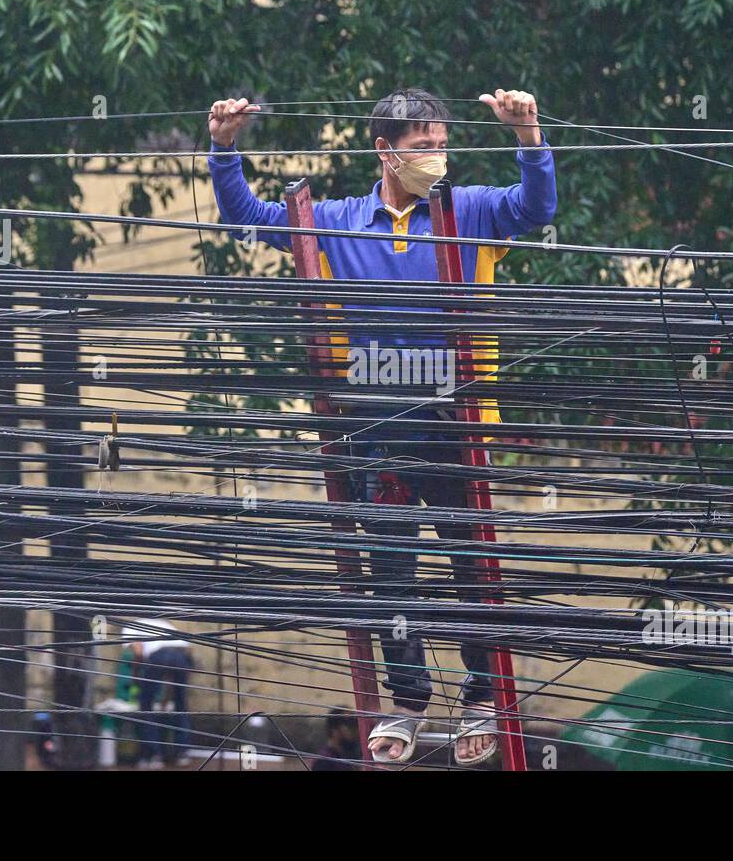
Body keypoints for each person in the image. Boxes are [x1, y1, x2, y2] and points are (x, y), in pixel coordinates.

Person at [207, 87, 556, 764]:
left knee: (471, 565)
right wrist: (224, 147)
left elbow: (536, 207)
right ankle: (409, 700)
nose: (436, 158)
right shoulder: (332, 219)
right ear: (385, 149)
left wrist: (529, 135)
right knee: (390, 572)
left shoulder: (471, 209)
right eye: (423, 147)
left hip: (460, 420)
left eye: (440, 145)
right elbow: (248, 218)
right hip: (376, 425)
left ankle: (482, 694)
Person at [122, 618, 194, 769]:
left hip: (159, 656)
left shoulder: (130, 627)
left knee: (146, 705)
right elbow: (170, 676)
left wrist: (136, 679)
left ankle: (154, 755)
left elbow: (139, 653)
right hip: (182, 657)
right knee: (181, 704)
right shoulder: (164, 623)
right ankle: (182, 754)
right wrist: (166, 699)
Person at [312, 707, 363, 771]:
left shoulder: (351, 755)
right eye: (350, 725)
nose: (356, 731)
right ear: (334, 730)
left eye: (356, 725)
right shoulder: (324, 762)